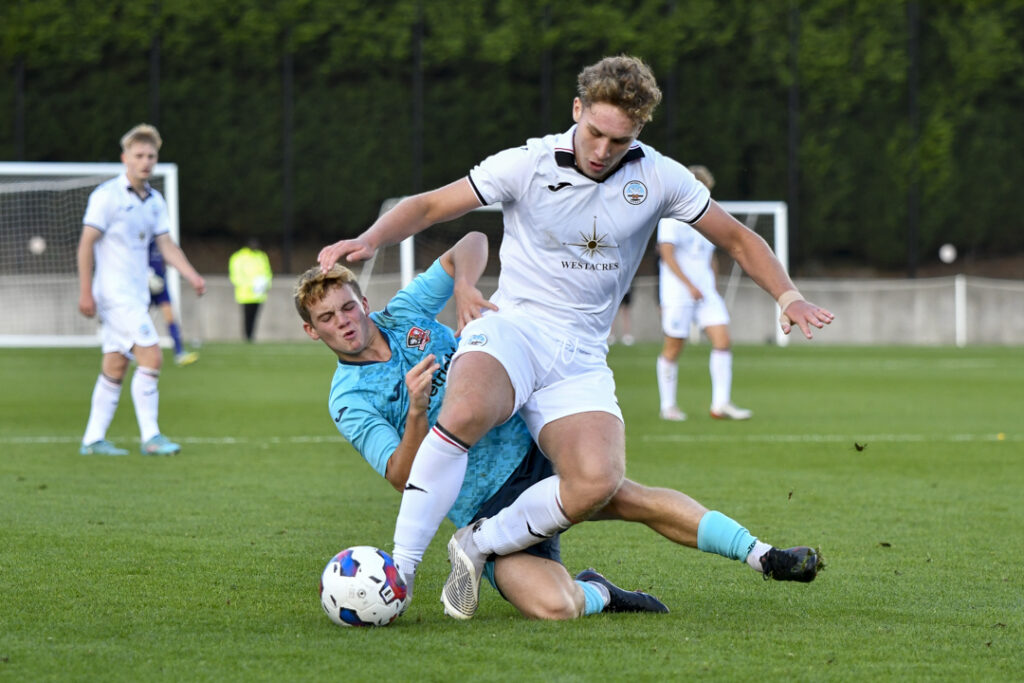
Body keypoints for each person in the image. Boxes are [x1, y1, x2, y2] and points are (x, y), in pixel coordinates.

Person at [318, 55, 833, 619]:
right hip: (515, 328)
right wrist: (370, 239)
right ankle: (402, 570)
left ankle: (480, 542)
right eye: (595, 132)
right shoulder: (528, 163)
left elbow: (736, 239)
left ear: (638, 133)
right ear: (576, 109)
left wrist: (788, 295)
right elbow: (434, 206)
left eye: (620, 139)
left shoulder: (659, 177)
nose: (603, 150)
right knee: (463, 410)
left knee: (599, 481)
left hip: (582, 355)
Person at [296, 233, 819, 620]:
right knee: (555, 607)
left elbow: (472, 241)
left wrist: (464, 286)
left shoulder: (404, 311)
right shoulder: (348, 400)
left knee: (624, 494)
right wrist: (414, 414)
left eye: (348, 307)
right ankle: (601, 591)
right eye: (328, 319)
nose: (344, 321)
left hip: (534, 445)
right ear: (311, 332)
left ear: (364, 302)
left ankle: (764, 556)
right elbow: (400, 476)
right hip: (482, 503)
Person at [77, 124, 206, 456]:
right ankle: (151, 437)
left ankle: (92, 440)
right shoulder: (106, 197)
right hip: (113, 294)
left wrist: (192, 275)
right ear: (125, 158)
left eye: (151, 156)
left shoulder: (154, 201)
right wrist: (85, 291)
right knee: (151, 354)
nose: (145, 161)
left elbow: (166, 245)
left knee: (116, 364)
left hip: (135, 295)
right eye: (139, 155)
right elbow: (86, 245)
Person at [656, 165, 749, 421]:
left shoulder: (708, 219)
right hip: (679, 293)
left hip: (706, 293)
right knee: (674, 347)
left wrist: (712, 285)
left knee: (723, 341)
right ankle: (668, 406)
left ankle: (720, 404)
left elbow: (711, 256)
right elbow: (666, 254)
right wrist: (689, 285)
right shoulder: (670, 218)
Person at [148, 239, 199, 367]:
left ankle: (179, 353)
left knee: (170, 317)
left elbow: (171, 254)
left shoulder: (162, 239)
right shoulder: (145, 240)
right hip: (144, 286)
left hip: (160, 285)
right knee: (139, 318)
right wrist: (147, 276)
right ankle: (131, 351)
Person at [229, 238, 273, 342]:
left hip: (259, 294)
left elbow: (267, 272)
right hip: (245, 294)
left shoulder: (261, 256)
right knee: (247, 316)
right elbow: (236, 275)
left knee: (255, 316)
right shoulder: (239, 257)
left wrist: (265, 284)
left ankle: (251, 336)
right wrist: (250, 285)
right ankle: (247, 337)